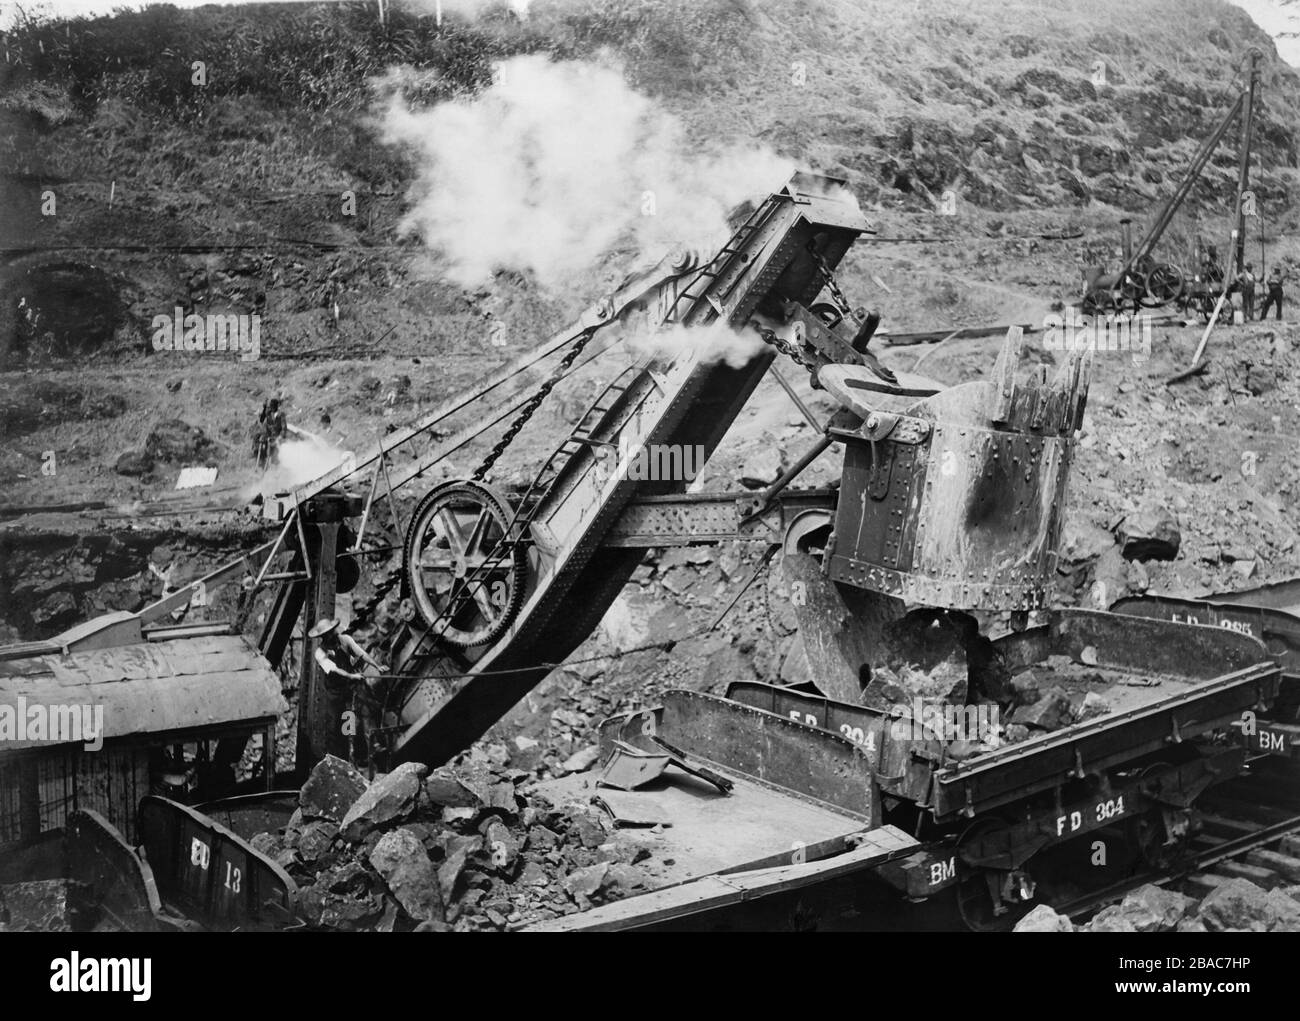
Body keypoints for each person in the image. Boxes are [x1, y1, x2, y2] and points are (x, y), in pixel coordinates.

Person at [309, 618, 387, 765]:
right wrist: (352, 675)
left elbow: (361, 653)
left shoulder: (345, 640)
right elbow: (334, 670)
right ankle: (345, 761)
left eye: (331, 632)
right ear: (323, 637)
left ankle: (369, 750)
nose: (331, 635)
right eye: (327, 634)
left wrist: (377, 665)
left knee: (367, 711)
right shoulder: (320, 652)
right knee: (340, 728)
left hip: (352, 688)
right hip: (336, 693)